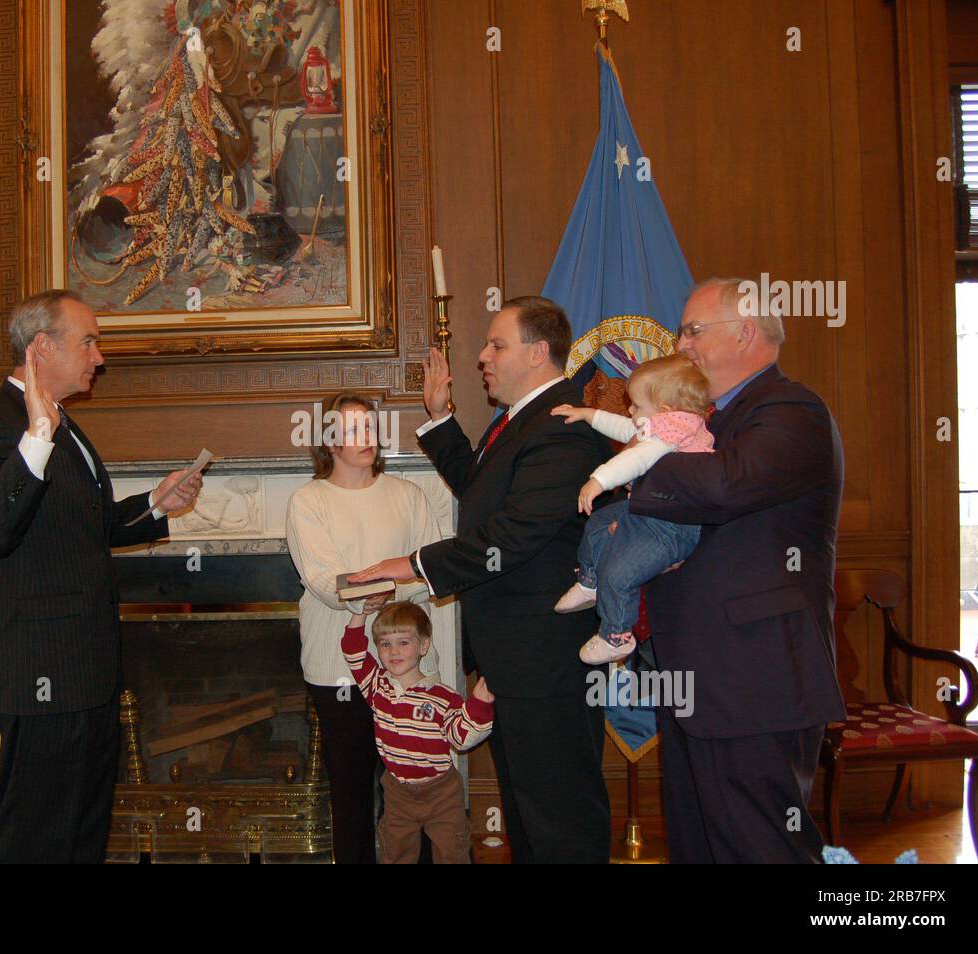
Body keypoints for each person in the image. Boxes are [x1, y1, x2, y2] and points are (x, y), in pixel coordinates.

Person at [352, 296, 613, 864]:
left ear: (538, 352)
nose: (482, 356)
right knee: (529, 812)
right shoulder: (521, 421)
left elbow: (517, 532)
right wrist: (440, 415)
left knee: (560, 815)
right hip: (516, 659)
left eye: (497, 344)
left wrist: (414, 563)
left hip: (546, 656)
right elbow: (480, 487)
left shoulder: (563, 424)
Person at [0, 289, 200, 863]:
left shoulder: (67, 427)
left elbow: (81, 528)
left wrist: (156, 505)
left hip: (88, 672)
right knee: (36, 838)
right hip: (43, 674)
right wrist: (36, 436)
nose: (100, 357)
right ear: (42, 347)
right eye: (88, 341)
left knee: (82, 835)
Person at [628, 277, 845, 863]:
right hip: (697, 678)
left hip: (756, 680)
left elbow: (725, 486)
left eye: (693, 330)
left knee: (763, 848)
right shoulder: (711, 419)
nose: (681, 344)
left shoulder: (789, 408)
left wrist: (638, 464)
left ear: (745, 332)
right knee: (700, 846)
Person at [285, 391, 450, 864]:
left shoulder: (408, 495)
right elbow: (324, 582)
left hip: (409, 670)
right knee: (352, 793)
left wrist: (382, 591)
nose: (365, 438)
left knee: (416, 791)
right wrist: (381, 586)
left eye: (370, 427)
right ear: (327, 441)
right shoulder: (308, 501)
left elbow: (434, 571)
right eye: (351, 429)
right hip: (339, 672)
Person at [551, 353, 715, 664]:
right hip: (646, 512)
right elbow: (628, 429)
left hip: (671, 527)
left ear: (664, 410)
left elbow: (636, 458)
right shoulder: (663, 426)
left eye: (637, 405)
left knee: (620, 572)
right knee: (598, 524)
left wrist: (598, 480)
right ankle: (589, 581)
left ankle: (616, 635)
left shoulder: (671, 434)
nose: (630, 409)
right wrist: (589, 414)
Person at [341, 601, 493, 864]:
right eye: (385, 644)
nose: (393, 651)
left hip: (441, 792)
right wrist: (360, 612)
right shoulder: (378, 688)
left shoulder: (442, 697)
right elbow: (353, 650)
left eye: (403, 642)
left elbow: (463, 738)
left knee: (452, 852)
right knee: (396, 852)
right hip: (398, 791)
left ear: (423, 646)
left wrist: (479, 703)